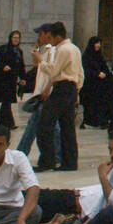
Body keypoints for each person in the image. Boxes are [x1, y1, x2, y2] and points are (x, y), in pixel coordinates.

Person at [34, 22, 82, 172]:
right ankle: (70, 162)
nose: (50, 41)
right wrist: (77, 90)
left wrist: (40, 60)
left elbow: (54, 71)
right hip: (71, 88)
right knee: (68, 128)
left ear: (58, 37)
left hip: (62, 88)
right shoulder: (75, 48)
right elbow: (81, 73)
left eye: (51, 38)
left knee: (44, 124)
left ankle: (47, 161)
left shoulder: (63, 49)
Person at [17, 27, 56, 155]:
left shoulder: (52, 50)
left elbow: (53, 71)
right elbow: (38, 67)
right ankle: (22, 153)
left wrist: (47, 88)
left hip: (46, 94)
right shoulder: (44, 49)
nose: (39, 37)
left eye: (40, 34)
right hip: (41, 93)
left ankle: (21, 153)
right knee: (35, 125)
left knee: (48, 127)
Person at [80, 36, 113, 129]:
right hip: (91, 85)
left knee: (102, 104)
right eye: (96, 43)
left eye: (99, 43)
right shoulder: (86, 56)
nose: (98, 45)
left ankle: (102, 121)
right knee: (91, 104)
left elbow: (104, 67)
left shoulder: (99, 56)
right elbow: (85, 70)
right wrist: (96, 74)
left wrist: (107, 74)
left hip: (101, 85)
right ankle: (90, 122)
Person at [0, 31, 24, 129]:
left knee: (7, 102)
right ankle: (9, 123)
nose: (16, 40)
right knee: (6, 101)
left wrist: (23, 78)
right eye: (14, 37)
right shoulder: (3, 49)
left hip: (12, 80)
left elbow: (21, 66)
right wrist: (3, 66)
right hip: (3, 80)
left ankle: (3, 123)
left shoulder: (19, 51)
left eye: (17, 38)